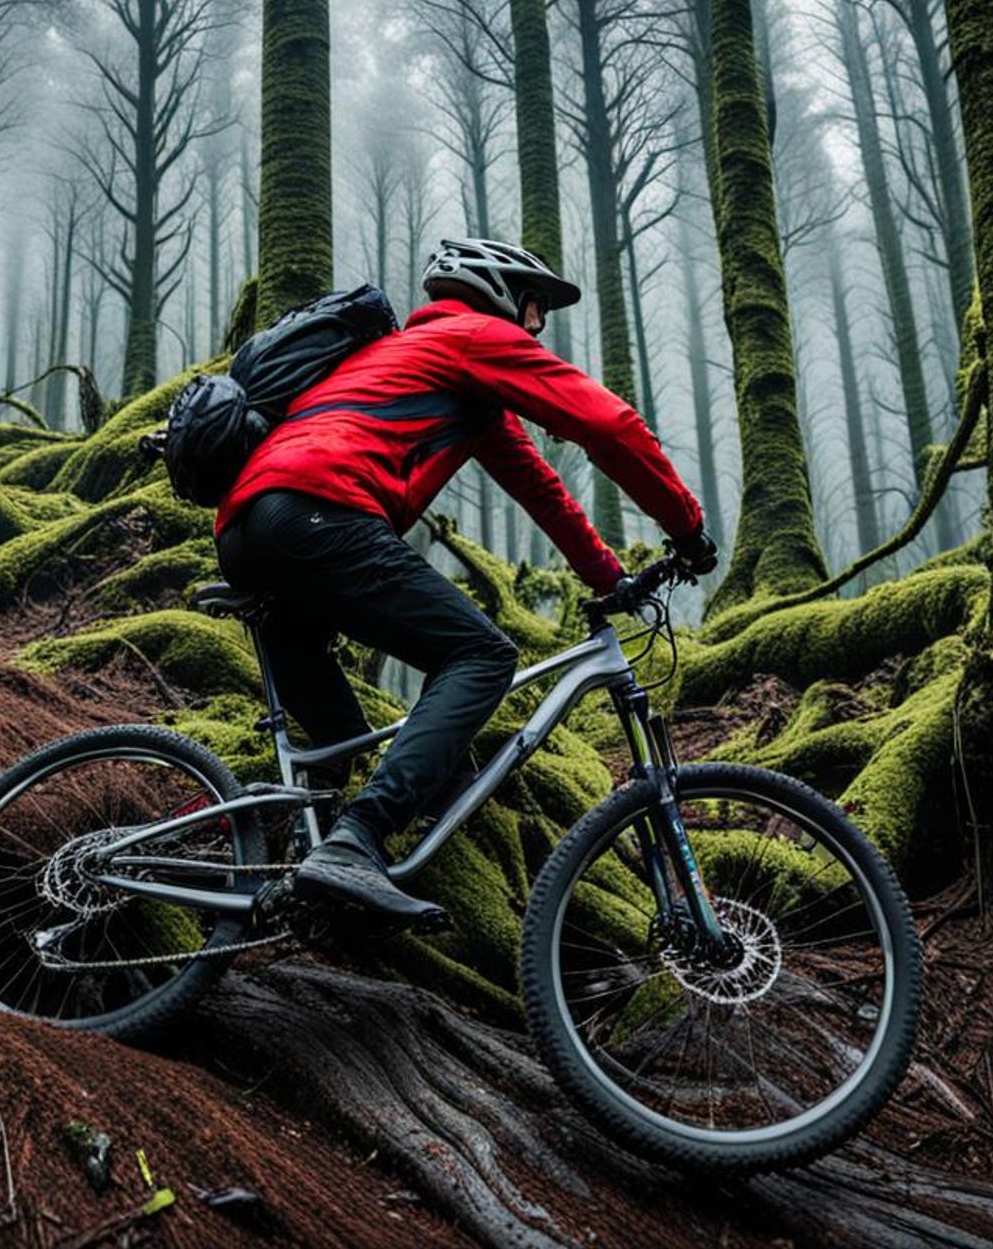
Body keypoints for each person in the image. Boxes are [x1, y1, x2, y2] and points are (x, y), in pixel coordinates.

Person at [213, 238, 716, 922]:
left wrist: (609, 578)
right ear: (499, 294)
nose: (536, 328)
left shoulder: (428, 368)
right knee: (480, 655)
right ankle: (356, 842)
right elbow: (609, 425)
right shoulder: (470, 336)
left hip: (250, 526)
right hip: (317, 509)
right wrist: (686, 527)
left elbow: (544, 492)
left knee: (338, 740)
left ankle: (272, 857)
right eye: (533, 309)